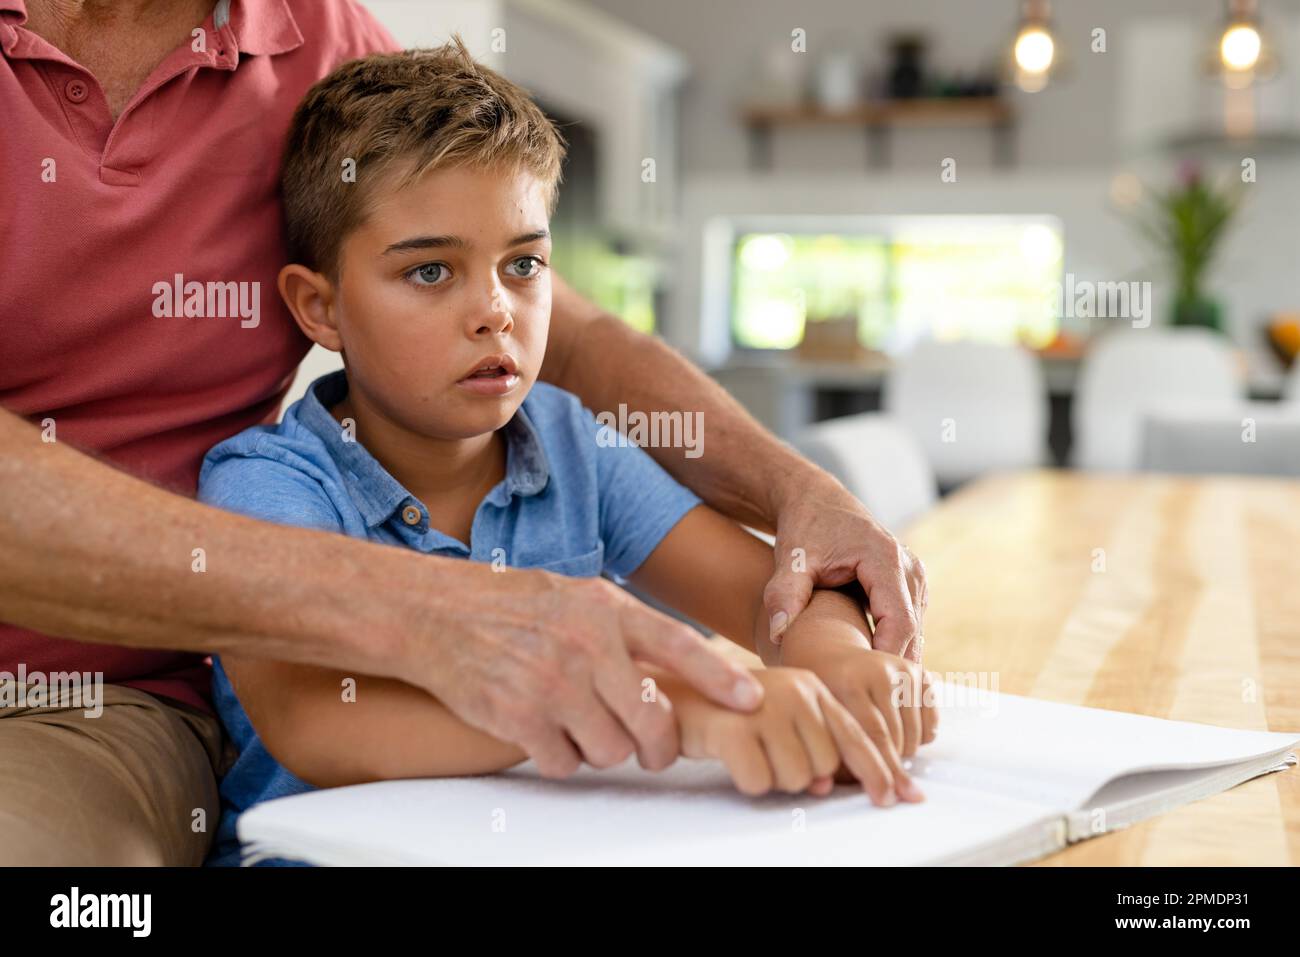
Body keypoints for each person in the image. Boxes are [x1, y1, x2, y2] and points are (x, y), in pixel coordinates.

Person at [0, 0, 927, 865]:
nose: (495, 312)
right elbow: (316, 718)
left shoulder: (570, 446)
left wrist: (843, 663)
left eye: (524, 265)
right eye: (431, 274)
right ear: (316, 308)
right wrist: (674, 709)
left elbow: (769, 589)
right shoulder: (268, 481)